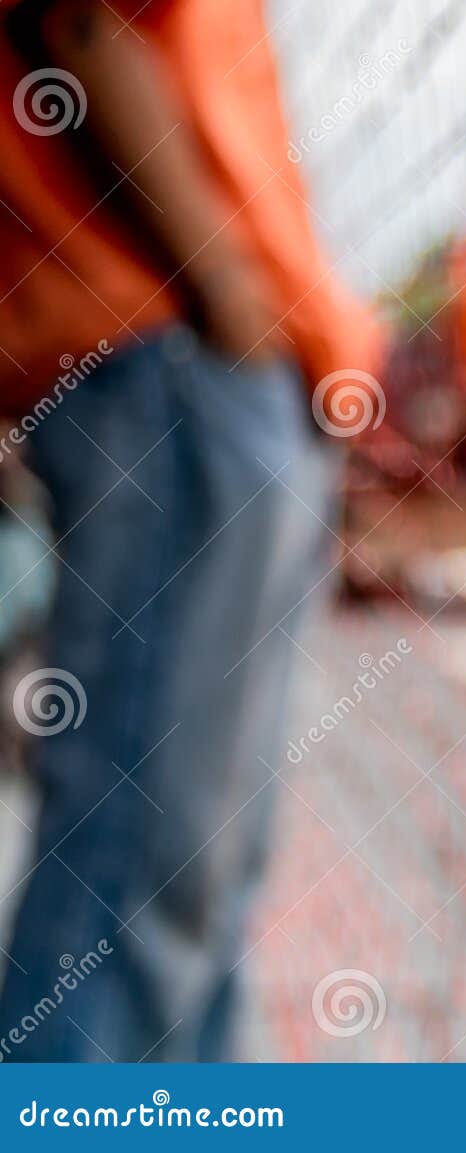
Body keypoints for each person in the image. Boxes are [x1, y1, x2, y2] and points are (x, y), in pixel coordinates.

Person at [0, 0, 377, 1060]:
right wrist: (221, 280)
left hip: (200, 353)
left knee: (202, 858)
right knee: (147, 858)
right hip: (166, 345)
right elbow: (78, 18)